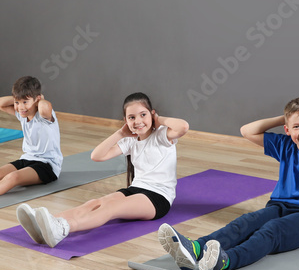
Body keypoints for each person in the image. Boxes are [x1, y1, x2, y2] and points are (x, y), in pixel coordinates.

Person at [158, 97, 299, 270]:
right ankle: (197, 249)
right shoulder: (285, 145)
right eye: (297, 126)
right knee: (246, 222)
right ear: (287, 130)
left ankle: (225, 261)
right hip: (280, 206)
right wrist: (286, 117)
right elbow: (247, 131)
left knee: (272, 231)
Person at [16, 92, 189, 248]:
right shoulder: (131, 140)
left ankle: (62, 229)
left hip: (158, 197)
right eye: (131, 117)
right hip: (136, 189)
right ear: (126, 121)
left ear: (152, 114)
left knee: (111, 208)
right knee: (95, 203)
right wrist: (120, 134)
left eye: (143, 115)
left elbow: (183, 127)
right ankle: (46, 225)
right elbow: (96, 156)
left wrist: (158, 119)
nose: (138, 121)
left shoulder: (162, 135)